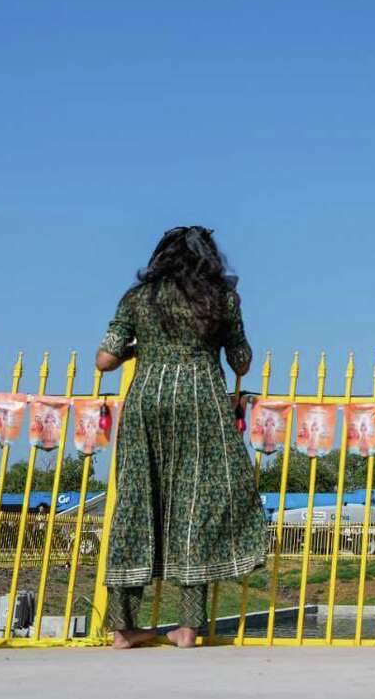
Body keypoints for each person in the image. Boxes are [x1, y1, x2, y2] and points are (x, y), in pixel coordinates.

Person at [96, 226, 266, 648]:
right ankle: (188, 626)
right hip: (200, 401)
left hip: (146, 403)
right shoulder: (219, 298)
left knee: (136, 502)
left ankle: (122, 627)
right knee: (197, 505)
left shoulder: (137, 298)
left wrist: (142, 349)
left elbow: (104, 361)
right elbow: (241, 358)